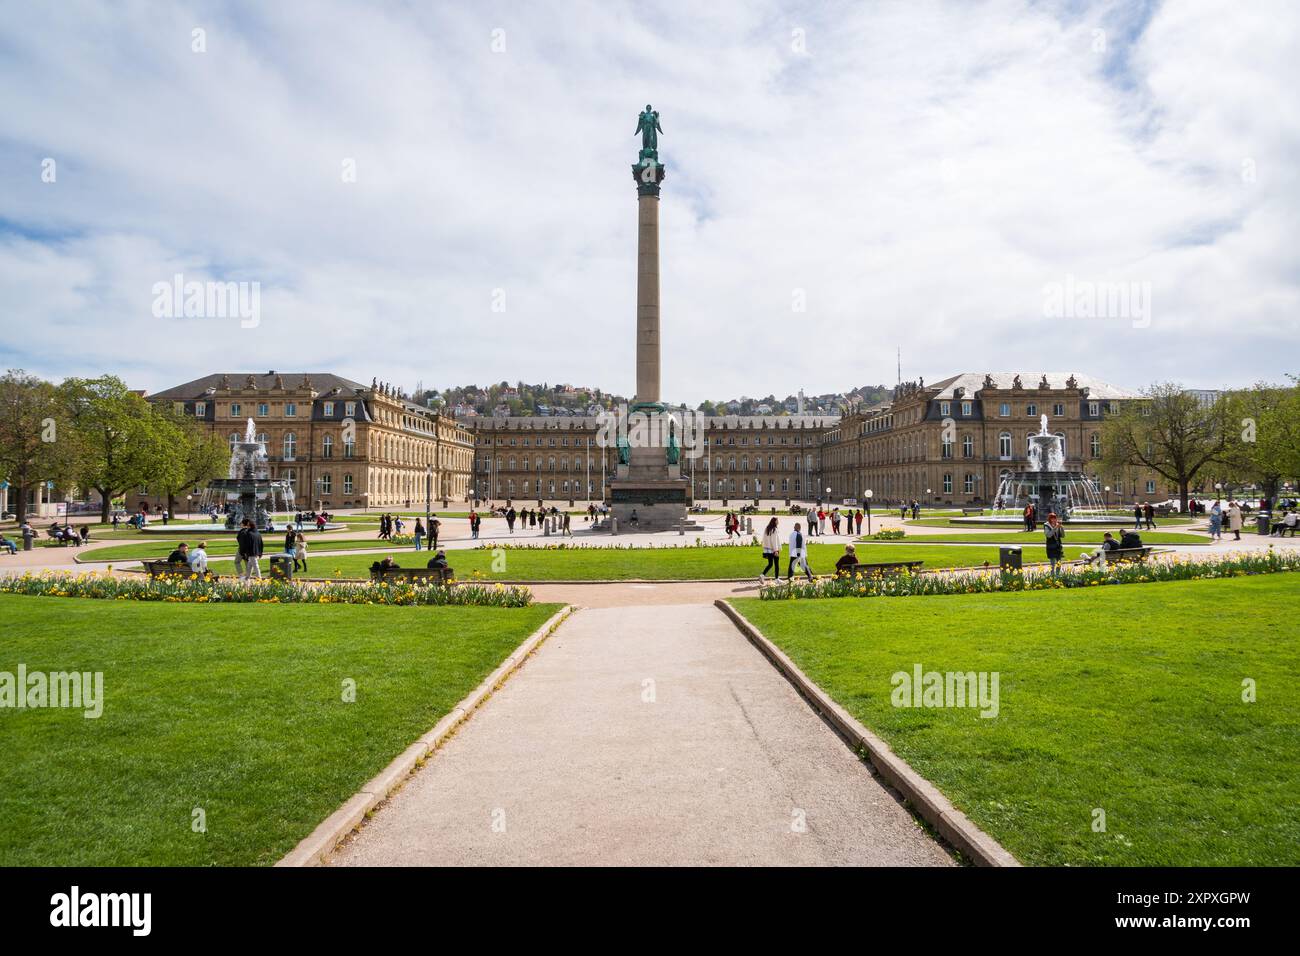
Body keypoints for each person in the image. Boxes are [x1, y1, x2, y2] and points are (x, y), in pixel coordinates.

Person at [759, 517, 781, 582]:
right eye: (777, 520)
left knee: (770, 564)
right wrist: (776, 550)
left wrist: (765, 547)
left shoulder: (767, 528)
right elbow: (774, 541)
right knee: (776, 564)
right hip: (774, 550)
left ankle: (762, 575)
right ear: (775, 522)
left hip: (768, 549)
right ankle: (777, 579)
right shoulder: (774, 529)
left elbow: (764, 539)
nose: (778, 521)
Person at [1043, 512, 1065, 576]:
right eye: (1052, 518)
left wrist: (1061, 527)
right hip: (1051, 546)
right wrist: (1055, 527)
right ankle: (1052, 576)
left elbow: (1063, 536)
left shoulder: (1057, 525)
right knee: (1052, 564)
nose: (1054, 520)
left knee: (1059, 563)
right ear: (1049, 519)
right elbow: (1048, 535)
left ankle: (1057, 576)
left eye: (1055, 518)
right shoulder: (1046, 525)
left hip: (1058, 546)